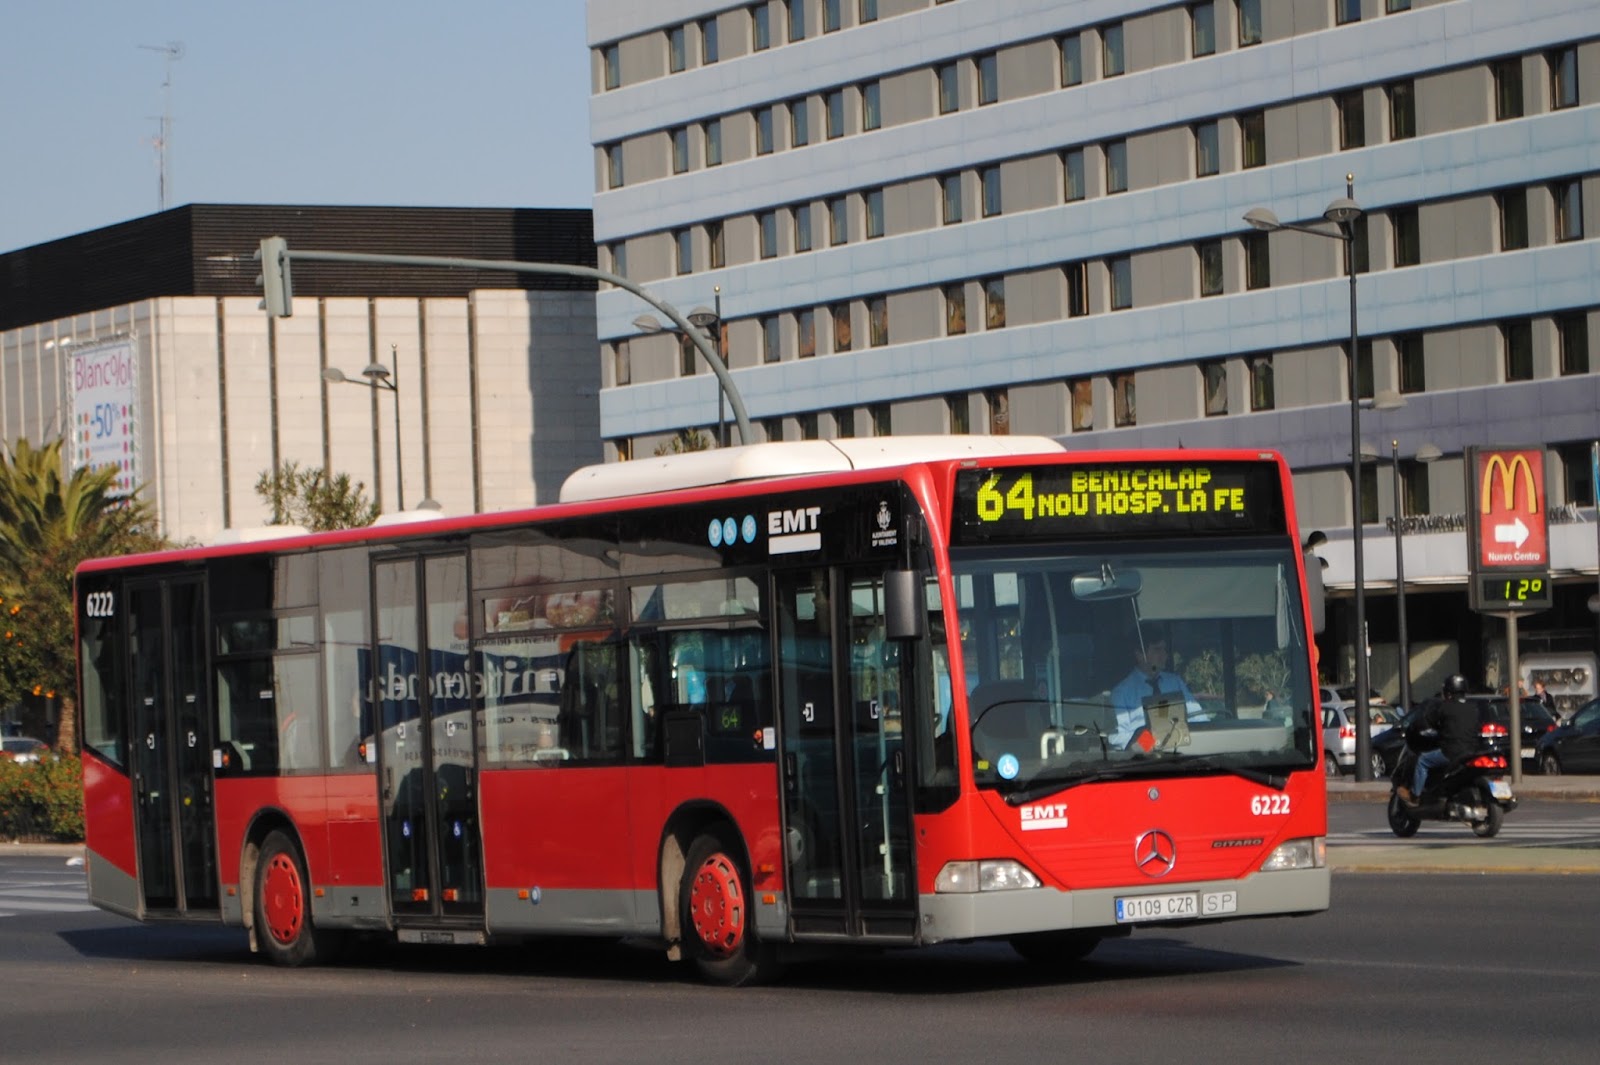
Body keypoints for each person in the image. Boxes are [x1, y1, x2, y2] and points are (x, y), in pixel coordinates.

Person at [1109, 632, 1201, 747]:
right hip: (1145, 760)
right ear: (1140, 655)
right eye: (1157, 650)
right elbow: (1118, 736)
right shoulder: (1121, 692)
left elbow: (1199, 717)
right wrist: (1152, 745)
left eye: (1164, 650)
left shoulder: (1175, 682)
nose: (1164, 655)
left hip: (1184, 750)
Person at [1400, 673, 1479, 804]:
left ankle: (1415, 795)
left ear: (1448, 691)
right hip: (1471, 751)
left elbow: (1429, 721)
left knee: (1422, 761)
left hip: (1451, 752)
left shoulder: (1444, 707)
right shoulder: (1473, 708)